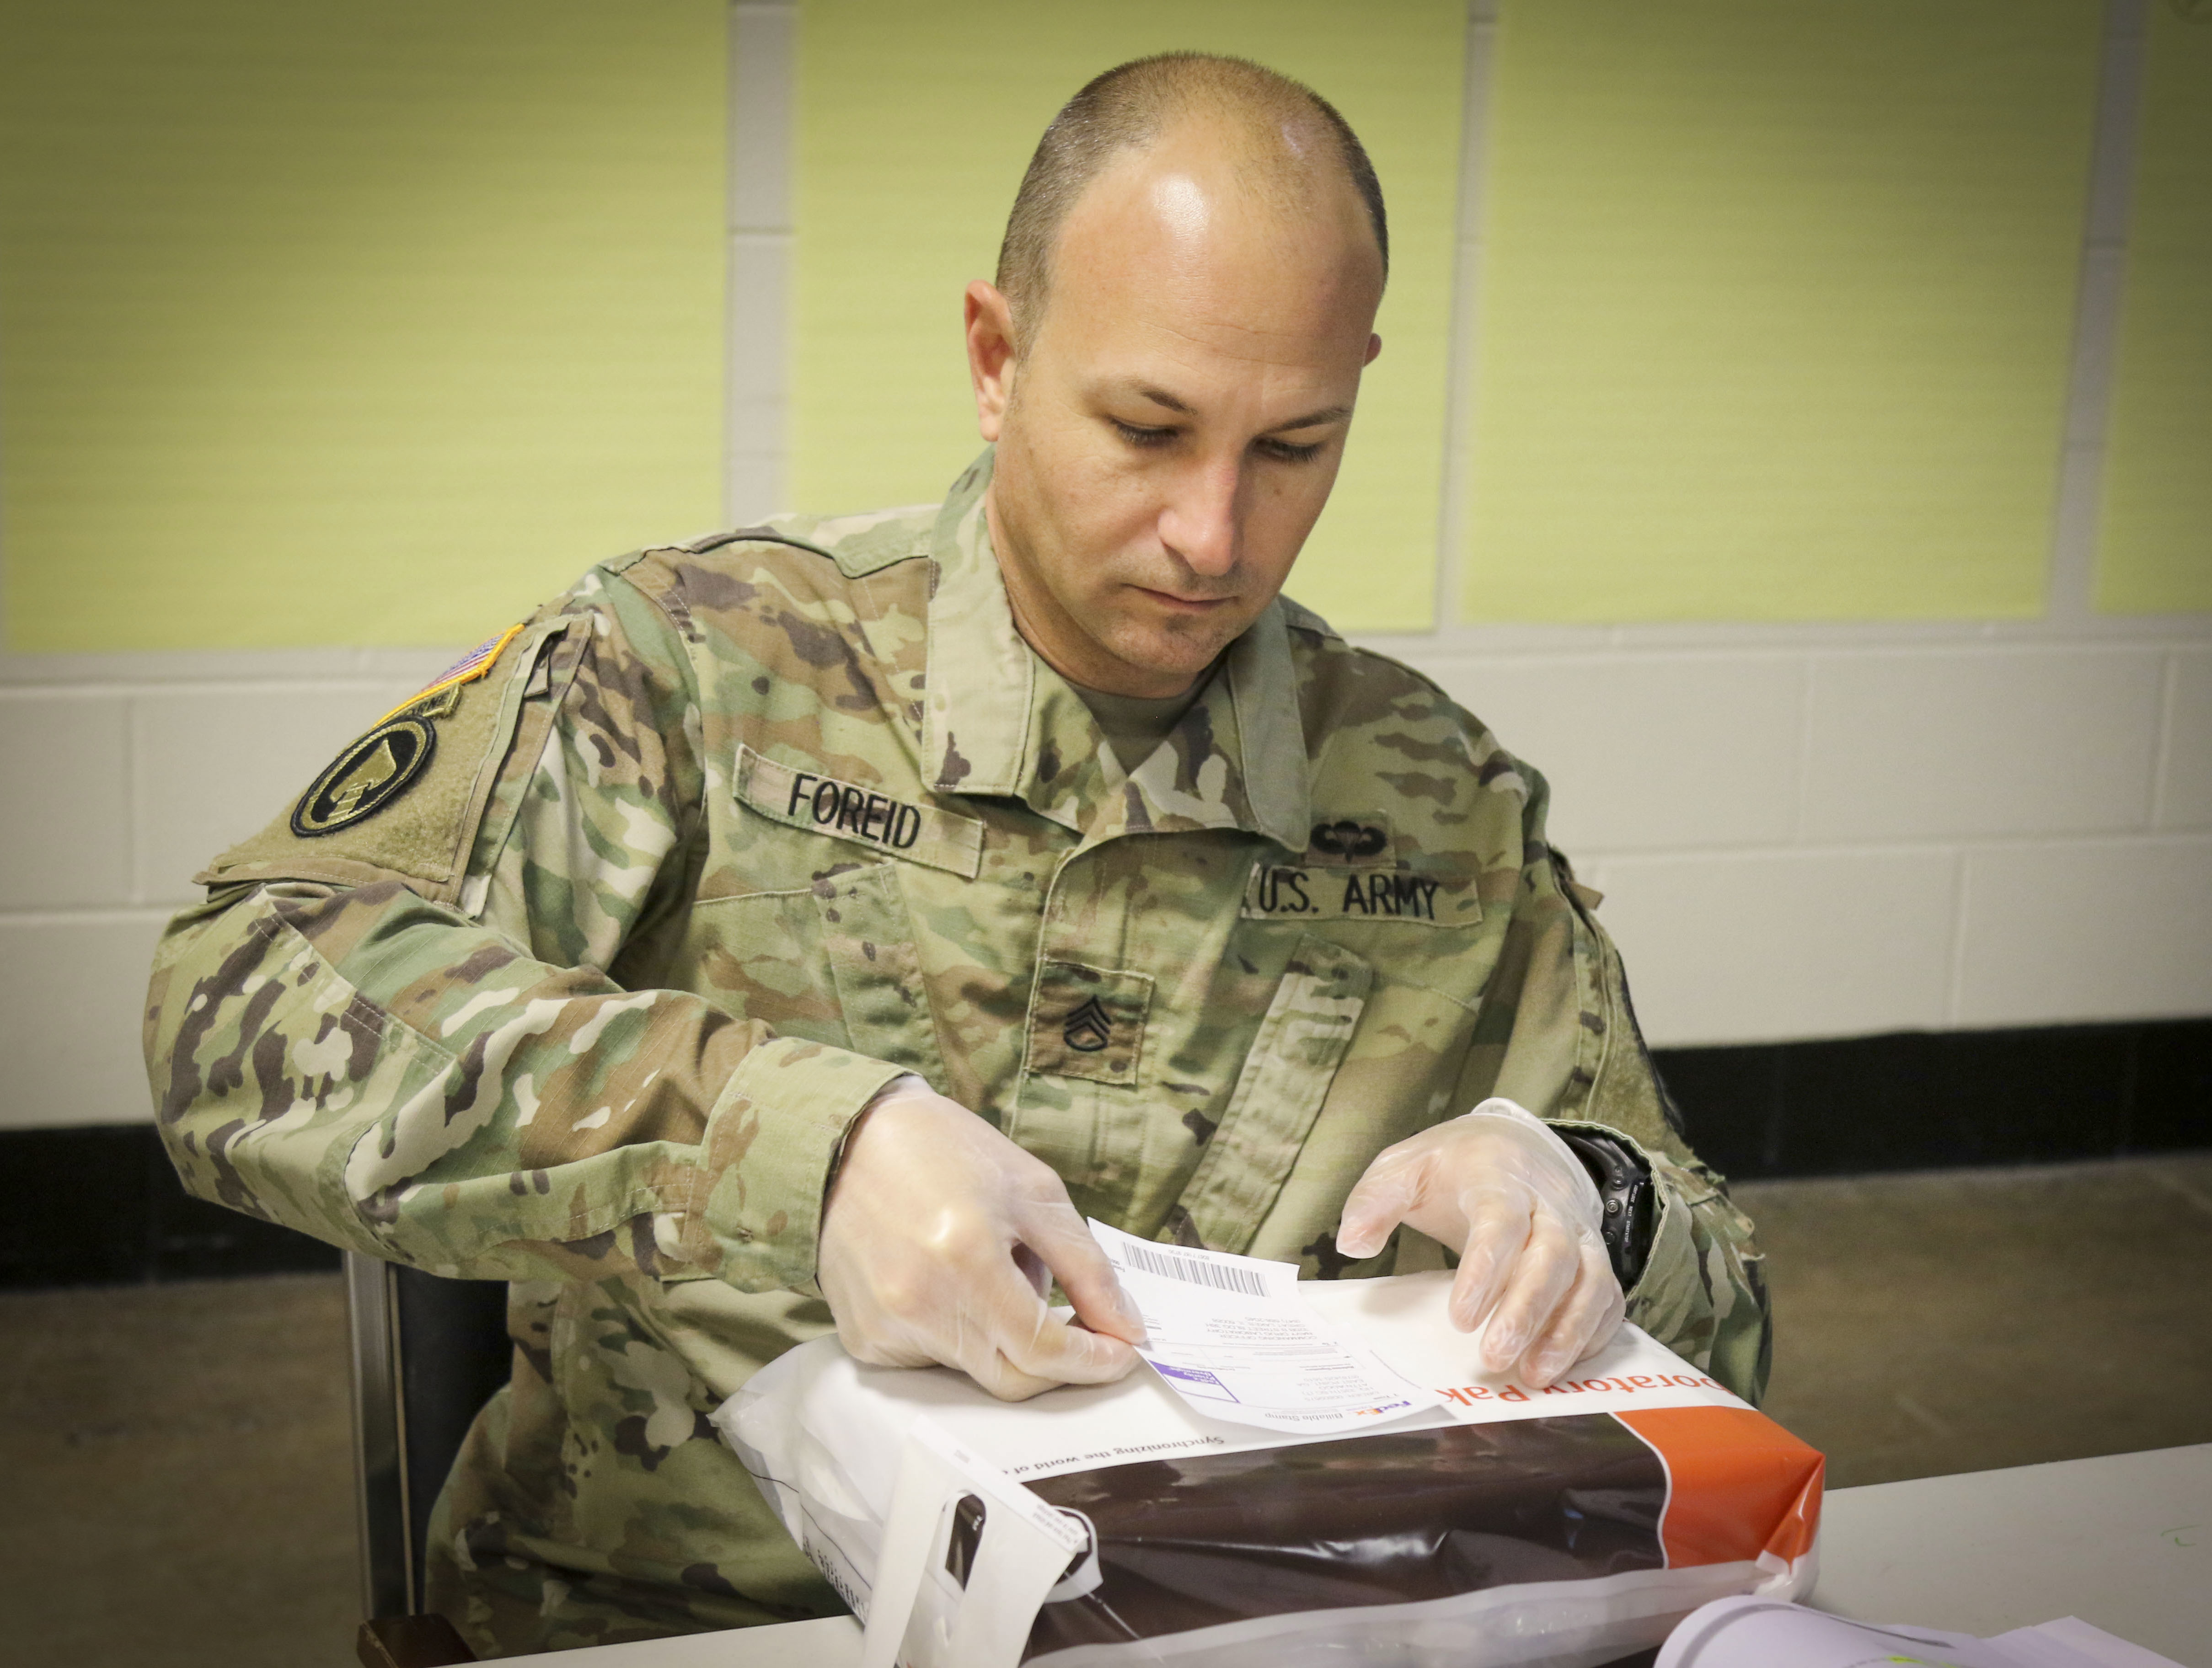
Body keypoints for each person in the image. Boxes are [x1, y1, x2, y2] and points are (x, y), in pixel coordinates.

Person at [144, 52, 1768, 1658]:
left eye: (1294, 449)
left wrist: (1597, 1210)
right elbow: (233, 1000)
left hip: (1226, 1627)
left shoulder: (1438, 800)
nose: (1215, 535)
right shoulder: (699, 669)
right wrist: (800, 1146)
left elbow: (1735, 1327)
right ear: (997, 358)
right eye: (1147, 426)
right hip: (699, 1622)